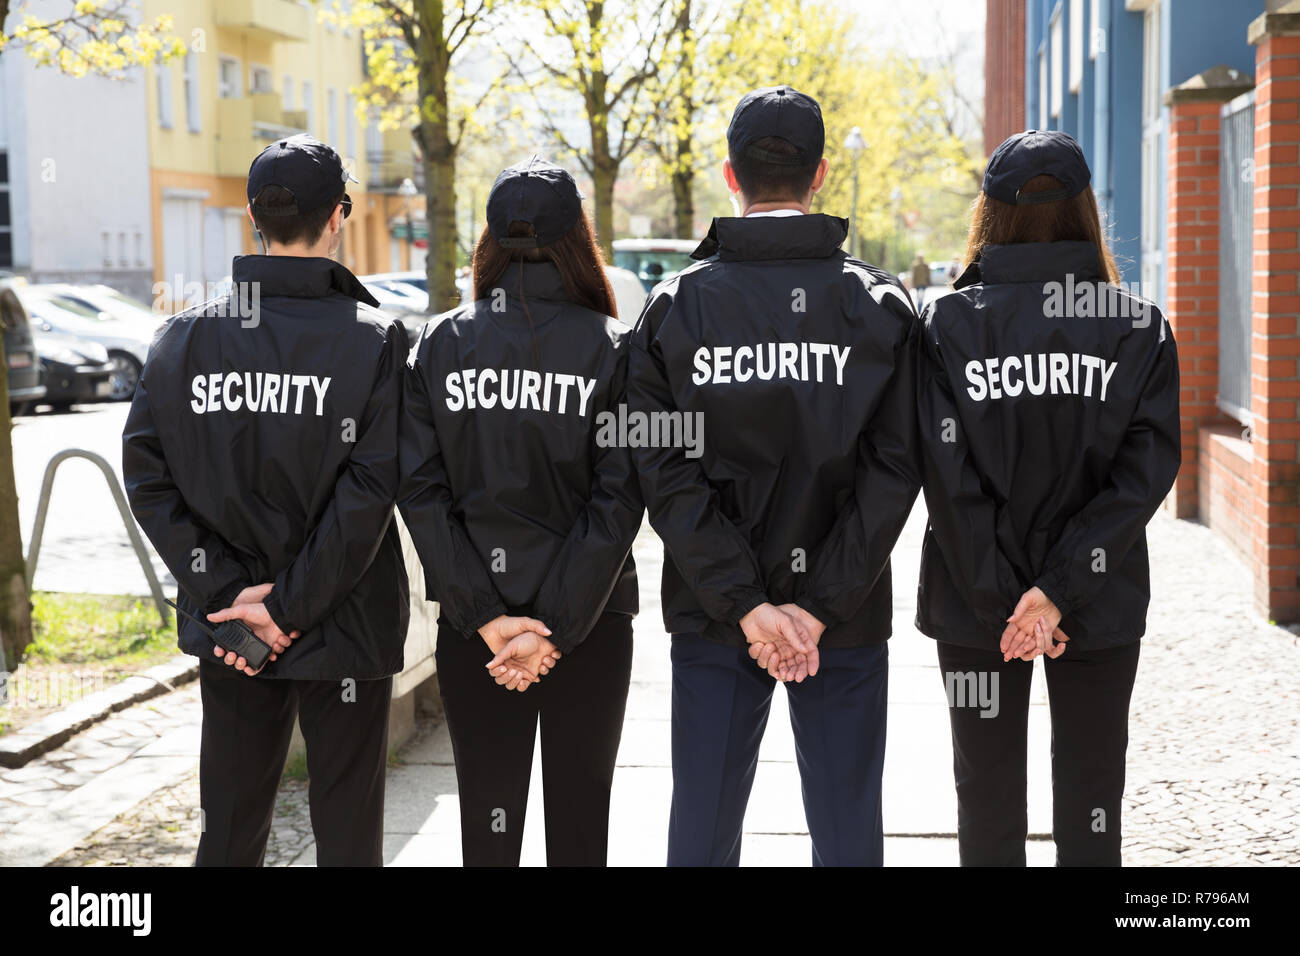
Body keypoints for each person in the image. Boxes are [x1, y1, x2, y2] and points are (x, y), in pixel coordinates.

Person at [627, 86, 920, 867]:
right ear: (820, 174)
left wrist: (748, 605)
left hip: (715, 612)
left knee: (703, 819)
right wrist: (817, 608)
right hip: (844, 616)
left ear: (731, 174)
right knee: (848, 823)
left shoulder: (672, 307)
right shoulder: (882, 305)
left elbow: (664, 475)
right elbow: (895, 473)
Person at [122, 134, 410, 866]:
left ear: (253, 215)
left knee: (230, 822)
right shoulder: (376, 341)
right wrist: (287, 607)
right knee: (348, 832)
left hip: (232, 630)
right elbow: (369, 494)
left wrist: (231, 596)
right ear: (338, 215)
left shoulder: (181, 339)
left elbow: (147, 480)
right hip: (341, 623)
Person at [914, 129, 1181, 866]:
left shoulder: (945, 326)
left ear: (989, 213)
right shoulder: (1137, 328)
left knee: (986, 798)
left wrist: (1007, 598)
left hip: (976, 610)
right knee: (1093, 801)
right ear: (1086, 211)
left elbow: (946, 479)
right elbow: (1141, 481)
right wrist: (1056, 595)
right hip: (1099, 600)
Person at [398, 156, 643, 867]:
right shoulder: (615, 349)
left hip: (480, 634)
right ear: (579, 242)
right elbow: (619, 499)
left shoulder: (440, 344)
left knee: (489, 826)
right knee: (580, 825)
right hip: (590, 627)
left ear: (489, 242)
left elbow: (420, 493)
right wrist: (556, 628)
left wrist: (488, 619)